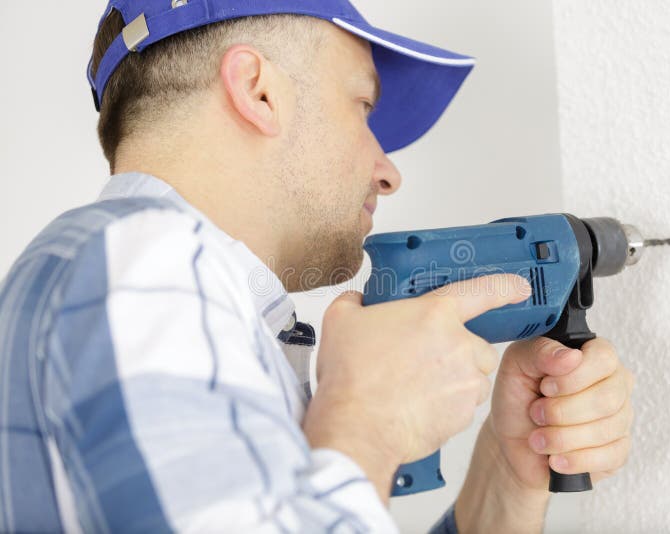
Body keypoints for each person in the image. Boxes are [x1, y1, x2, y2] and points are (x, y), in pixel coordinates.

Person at [0, 0, 635, 532]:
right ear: (259, 91)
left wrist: (508, 464)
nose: (388, 172)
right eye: (363, 106)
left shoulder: (141, 284)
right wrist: (367, 420)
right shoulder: (145, 269)